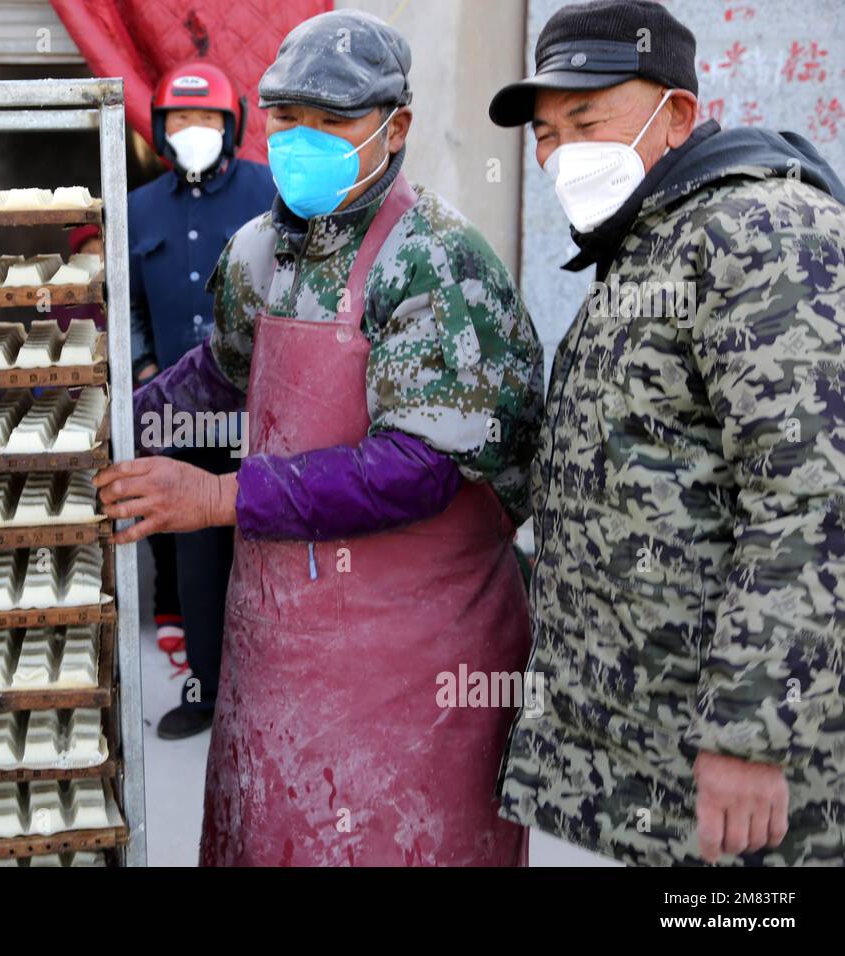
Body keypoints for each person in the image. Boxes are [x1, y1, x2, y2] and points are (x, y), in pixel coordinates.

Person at [97, 11, 544, 865]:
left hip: (420, 655)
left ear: (395, 127)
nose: (304, 139)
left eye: (333, 120)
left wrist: (220, 497)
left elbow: (416, 470)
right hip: (281, 636)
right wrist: (110, 427)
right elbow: (219, 371)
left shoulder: (436, 262)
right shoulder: (260, 252)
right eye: (287, 118)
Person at [489, 0, 845, 865]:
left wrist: (751, 734)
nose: (560, 152)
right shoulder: (652, 242)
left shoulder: (760, 231)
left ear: (676, 113)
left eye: (587, 118)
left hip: (740, 768)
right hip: (653, 750)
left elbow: (810, 498)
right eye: (544, 132)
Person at [128, 61, 277, 740]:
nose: (195, 131)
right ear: (162, 129)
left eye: (208, 120)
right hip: (181, 412)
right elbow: (124, 301)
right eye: (182, 120)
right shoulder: (139, 207)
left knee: (270, 541)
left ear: (233, 126)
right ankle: (207, 691)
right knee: (196, 555)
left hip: (261, 406)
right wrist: (142, 362)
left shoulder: (271, 192)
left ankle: (274, 694)